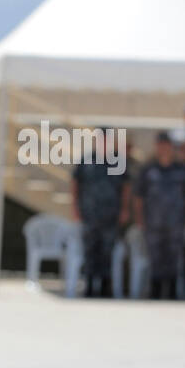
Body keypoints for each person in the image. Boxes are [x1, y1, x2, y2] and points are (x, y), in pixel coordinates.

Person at [135, 131, 185, 300]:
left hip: (176, 222)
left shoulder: (182, 170)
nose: (163, 148)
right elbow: (139, 197)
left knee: (174, 257)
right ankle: (155, 291)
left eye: (166, 145)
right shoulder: (148, 170)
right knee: (155, 257)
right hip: (153, 222)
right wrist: (140, 219)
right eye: (160, 145)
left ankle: (172, 291)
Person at [71, 127, 129, 298]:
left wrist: (125, 209)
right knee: (90, 250)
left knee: (107, 251)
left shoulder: (118, 161)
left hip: (110, 216)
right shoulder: (86, 161)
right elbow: (75, 185)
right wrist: (75, 208)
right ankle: (89, 285)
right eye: (101, 139)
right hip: (89, 215)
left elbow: (125, 188)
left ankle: (105, 286)